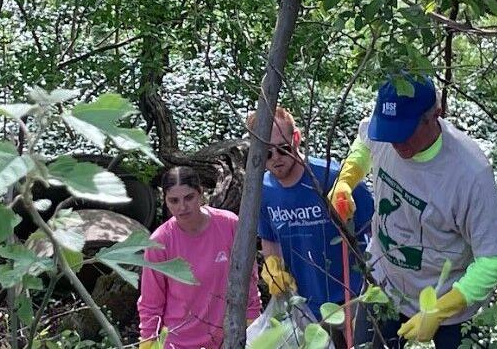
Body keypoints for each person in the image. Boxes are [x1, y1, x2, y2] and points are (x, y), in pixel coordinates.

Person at [328, 74, 497, 348]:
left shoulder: (469, 173)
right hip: (385, 281)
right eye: (388, 133)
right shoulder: (385, 130)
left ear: (435, 116)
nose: (396, 143)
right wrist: (346, 179)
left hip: (448, 298)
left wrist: (440, 309)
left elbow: (495, 258)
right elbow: (364, 145)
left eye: (405, 132)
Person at [250, 107, 374, 347]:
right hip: (305, 305)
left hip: (352, 299)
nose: (276, 157)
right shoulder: (262, 190)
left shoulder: (332, 178)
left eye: (283, 148)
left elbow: (374, 232)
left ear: (296, 138)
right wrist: (273, 269)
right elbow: (270, 239)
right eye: (266, 153)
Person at [137, 166, 261, 349]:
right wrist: (149, 342)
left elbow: (249, 279)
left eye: (189, 197)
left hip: (229, 338)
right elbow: (151, 303)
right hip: (178, 342)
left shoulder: (229, 225)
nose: (182, 207)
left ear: (200, 193)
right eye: (174, 200)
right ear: (165, 200)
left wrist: (253, 322)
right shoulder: (159, 242)